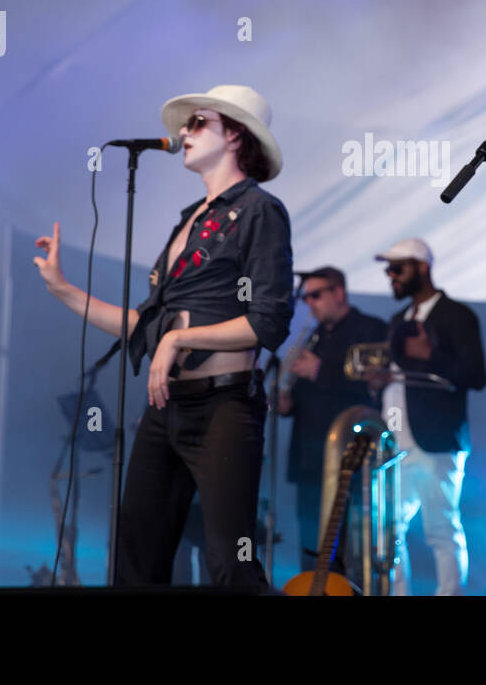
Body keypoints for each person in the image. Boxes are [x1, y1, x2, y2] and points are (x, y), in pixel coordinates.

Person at [34, 84, 293, 588]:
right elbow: (148, 326)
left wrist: (180, 341)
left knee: (229, 558)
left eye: (198, 123)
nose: (182, 133)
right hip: (166, 406)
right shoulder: (189, 221)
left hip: (224, 405)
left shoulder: (260, 211)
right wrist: (65, 291)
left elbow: (268, 321)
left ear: (235, 135)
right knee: (136, 552)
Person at [373, 238, 486, 595]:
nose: (391, 276)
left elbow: (476, 376)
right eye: (388, 269)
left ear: (423, 267)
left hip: (437, 441)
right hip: (396, 441)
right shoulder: (398, 320)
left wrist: (429, 355)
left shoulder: (456, 315)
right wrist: (376, 384)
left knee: (440, 528)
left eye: (398, 268)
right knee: (387, 530)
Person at [276, 265, 387, 575]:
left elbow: (371, 388)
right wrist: (285, 401)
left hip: (350, 458)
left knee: (350, 543)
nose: (310, 302)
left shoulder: (370, 328)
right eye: (306, 297)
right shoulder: (313, 336)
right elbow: (302, 393)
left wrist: (320, 371)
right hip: (309, 457)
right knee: (310, 540)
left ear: (338, 292)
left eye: (316, 295)